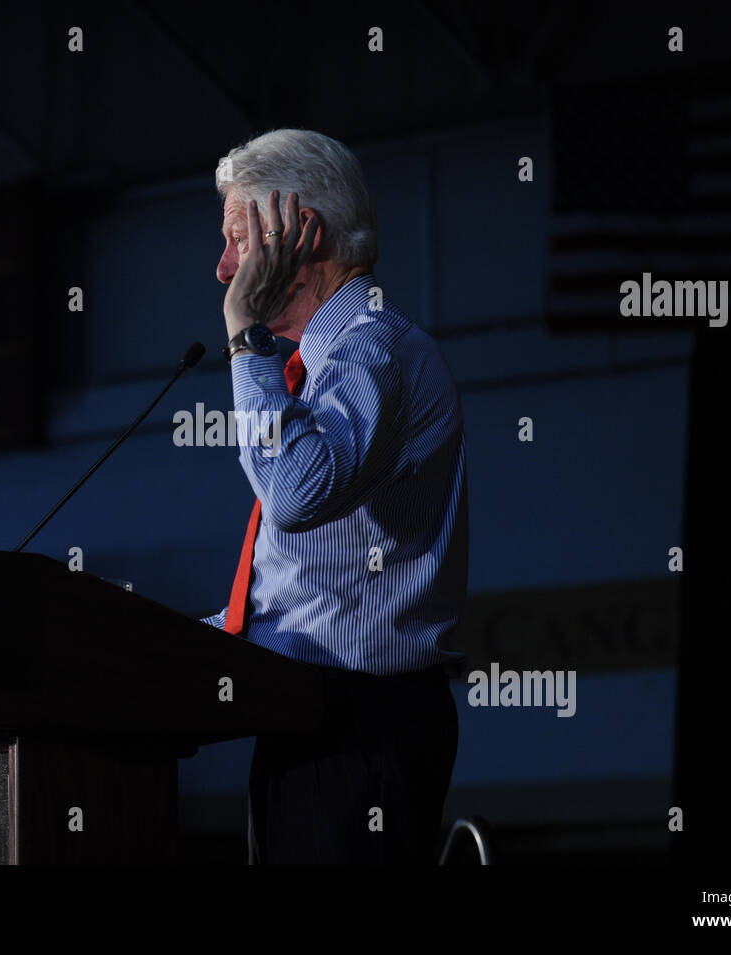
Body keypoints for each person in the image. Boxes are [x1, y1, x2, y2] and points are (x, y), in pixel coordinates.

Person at [201, 129, 468, 864]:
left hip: (360, 729)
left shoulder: (375, 347)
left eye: (236, 240)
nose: (224, 269)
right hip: (309, 720)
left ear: (301, 233)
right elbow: (304, 591)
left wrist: (244, 336)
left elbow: (292, 495)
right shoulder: (322, 368)